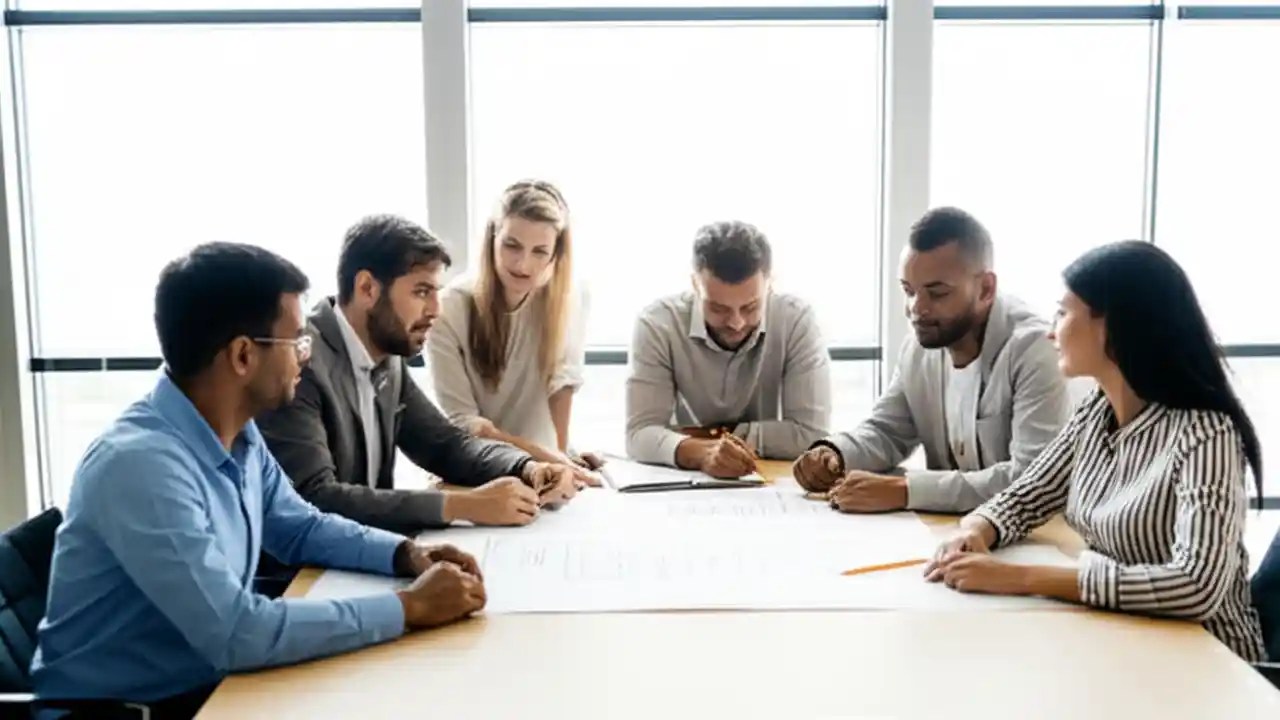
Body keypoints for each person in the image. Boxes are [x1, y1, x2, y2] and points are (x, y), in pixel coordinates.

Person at [30, 243, 487, 718]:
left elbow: (300, 527)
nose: (306, 356)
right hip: (126, 710)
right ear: (243, 355)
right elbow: (237, 634)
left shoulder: (237, 433)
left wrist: (405, 554)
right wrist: (409, 608)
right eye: (297, 341)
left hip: (210, 686)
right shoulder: (140, 467)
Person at [924, 240, 1266, 662]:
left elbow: (1196, 586)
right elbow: (1027, 496)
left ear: (1114, 327)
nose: (1051, 331)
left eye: (1064, 313)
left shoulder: (1206, 434)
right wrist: (976, 531)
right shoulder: (1095, 411)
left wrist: (1021, 577)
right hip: (1127, 640)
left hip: (1210, 661)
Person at [257, 215, 580, 535]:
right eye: (422, 292)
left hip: (369, 550)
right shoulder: (299, 364)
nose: (436, 309)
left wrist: (527, 467)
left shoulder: (384, 354)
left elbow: (446, 446)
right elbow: (315, 497)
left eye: (436, 292)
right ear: (367, 288)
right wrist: (461, 505)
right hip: (312, 565)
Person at [792, 207, 1068, 513]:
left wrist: (906, 491)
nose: (916, 309)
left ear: (986, 289)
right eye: (908, 291)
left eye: (937, 294)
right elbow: (887, 431)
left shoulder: (1036, 349)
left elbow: (1032, 480)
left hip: (1041, 533)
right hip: (952, 529)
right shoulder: (920, 346)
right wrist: (835, 453)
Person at [626, 220, 831, 478]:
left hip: (769, 479)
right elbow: (639, 435)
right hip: (689, 481)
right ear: (695, 284)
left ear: (769, 283)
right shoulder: (658, 324)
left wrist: (708, 437)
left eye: (751, 307)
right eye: (718, 308)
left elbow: (813, 435)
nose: (736, 323)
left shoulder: (797, 321)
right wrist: (702, 453)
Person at [428, 180, 601, 484]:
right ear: (492, 239)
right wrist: (547, 458)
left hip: (547, 466)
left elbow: (562, 384)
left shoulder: (572, 297)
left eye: (540, 251)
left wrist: (563, 460)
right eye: (512, 246)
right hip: (479, 470)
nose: (523, 264)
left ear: (555, 254)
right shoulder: (448, 309)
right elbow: (464, 423)